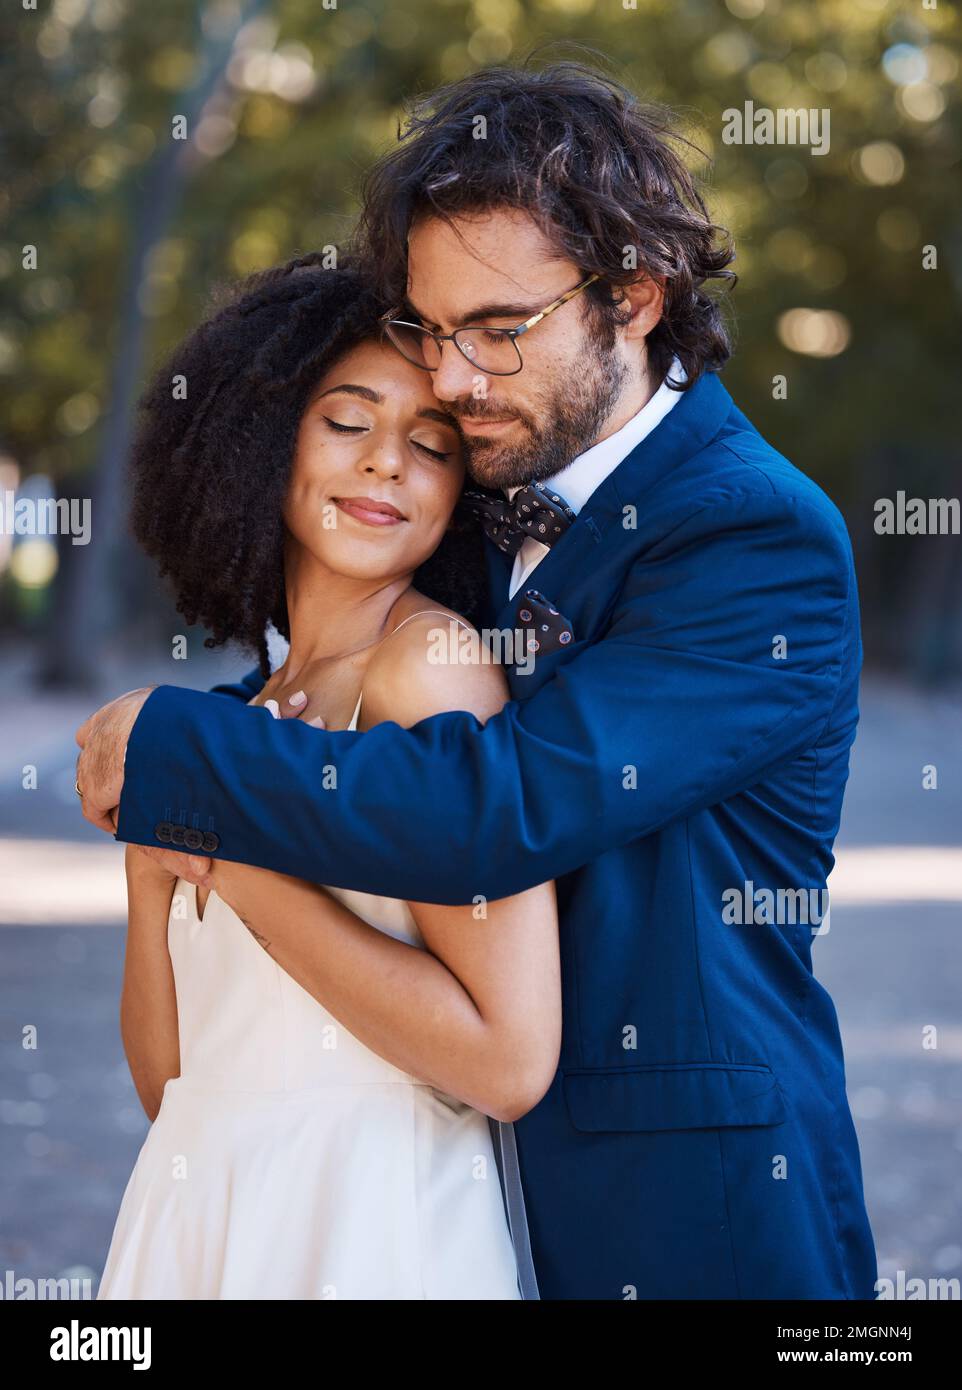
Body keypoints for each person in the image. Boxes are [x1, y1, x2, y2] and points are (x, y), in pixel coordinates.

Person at [78, 61, 878, 1299]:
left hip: (685, 1224)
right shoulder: (486, 502)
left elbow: (501, 803)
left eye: (494, 330)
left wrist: (191, 769)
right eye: (425, 329)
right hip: (439, 1206)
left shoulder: (750, 535)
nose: (450, 381)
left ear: (633, 296)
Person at [95, 261, 557, 1300]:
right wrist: (151, 868)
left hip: (370, 1226)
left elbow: (507, 1058)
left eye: (431, 445)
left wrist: (232, 859)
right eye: (346, 422)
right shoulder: (239, 718)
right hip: (198, 1215)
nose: (386, 463)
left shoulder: (428, 667)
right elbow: (174, 1083)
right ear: (262, 443)